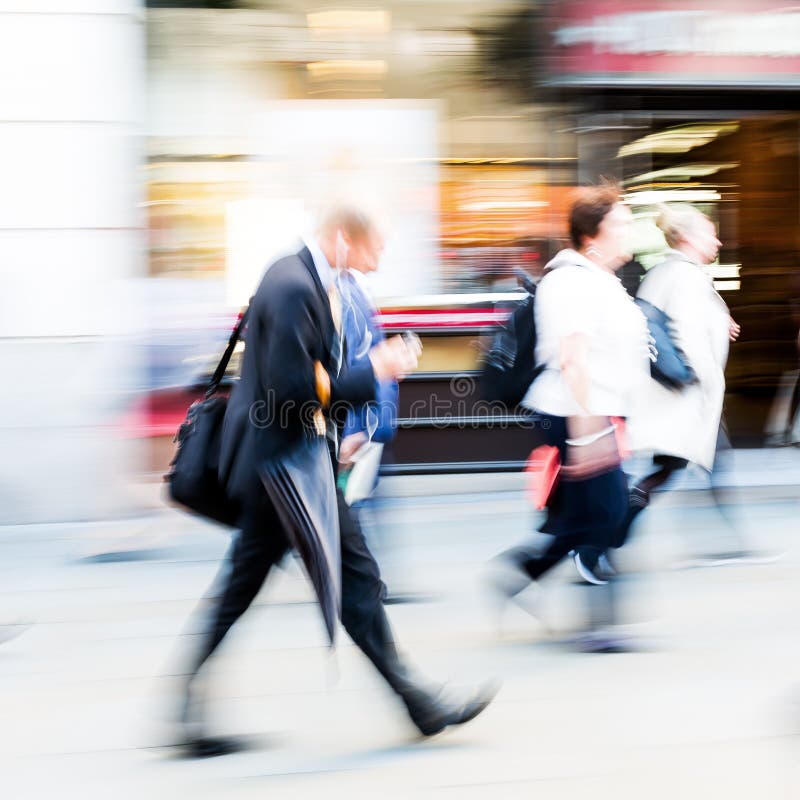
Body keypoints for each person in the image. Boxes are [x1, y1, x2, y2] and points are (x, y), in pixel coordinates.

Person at [175, 201, 496, 756]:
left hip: (288, 466)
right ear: (344, 237)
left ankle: (184, 713)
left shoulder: (305, 279)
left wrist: (343, 418)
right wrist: (377, 369)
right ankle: (419, 703)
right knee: (346, 581)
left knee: (280, 587)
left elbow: (307, 381)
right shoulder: (293, 285)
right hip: (283, 472)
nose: (379, 261)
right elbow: (293, 392)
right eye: (376, 248)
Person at [489, 185, 649, 600]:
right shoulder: (573, 281)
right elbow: (572, 360)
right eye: (621, 224)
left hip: (598, 412)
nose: (630, 231)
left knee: (590, 516)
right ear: (592, 234)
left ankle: (524, 574)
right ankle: (558, 592)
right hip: (576, 413)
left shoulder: (600, 279)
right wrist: (589, 430)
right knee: (607, 515)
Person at [621, 204, 742, 555]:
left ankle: (611, 531)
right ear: (688, 238)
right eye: (710, 234)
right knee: (689, 464)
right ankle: (605, 535)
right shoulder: (686, 276)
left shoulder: (669, 271)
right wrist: (709, 386)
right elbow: (687, 337)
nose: (717, 241)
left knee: (673, 468)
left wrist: (720, 320)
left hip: (677, 394)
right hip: (685, 393)